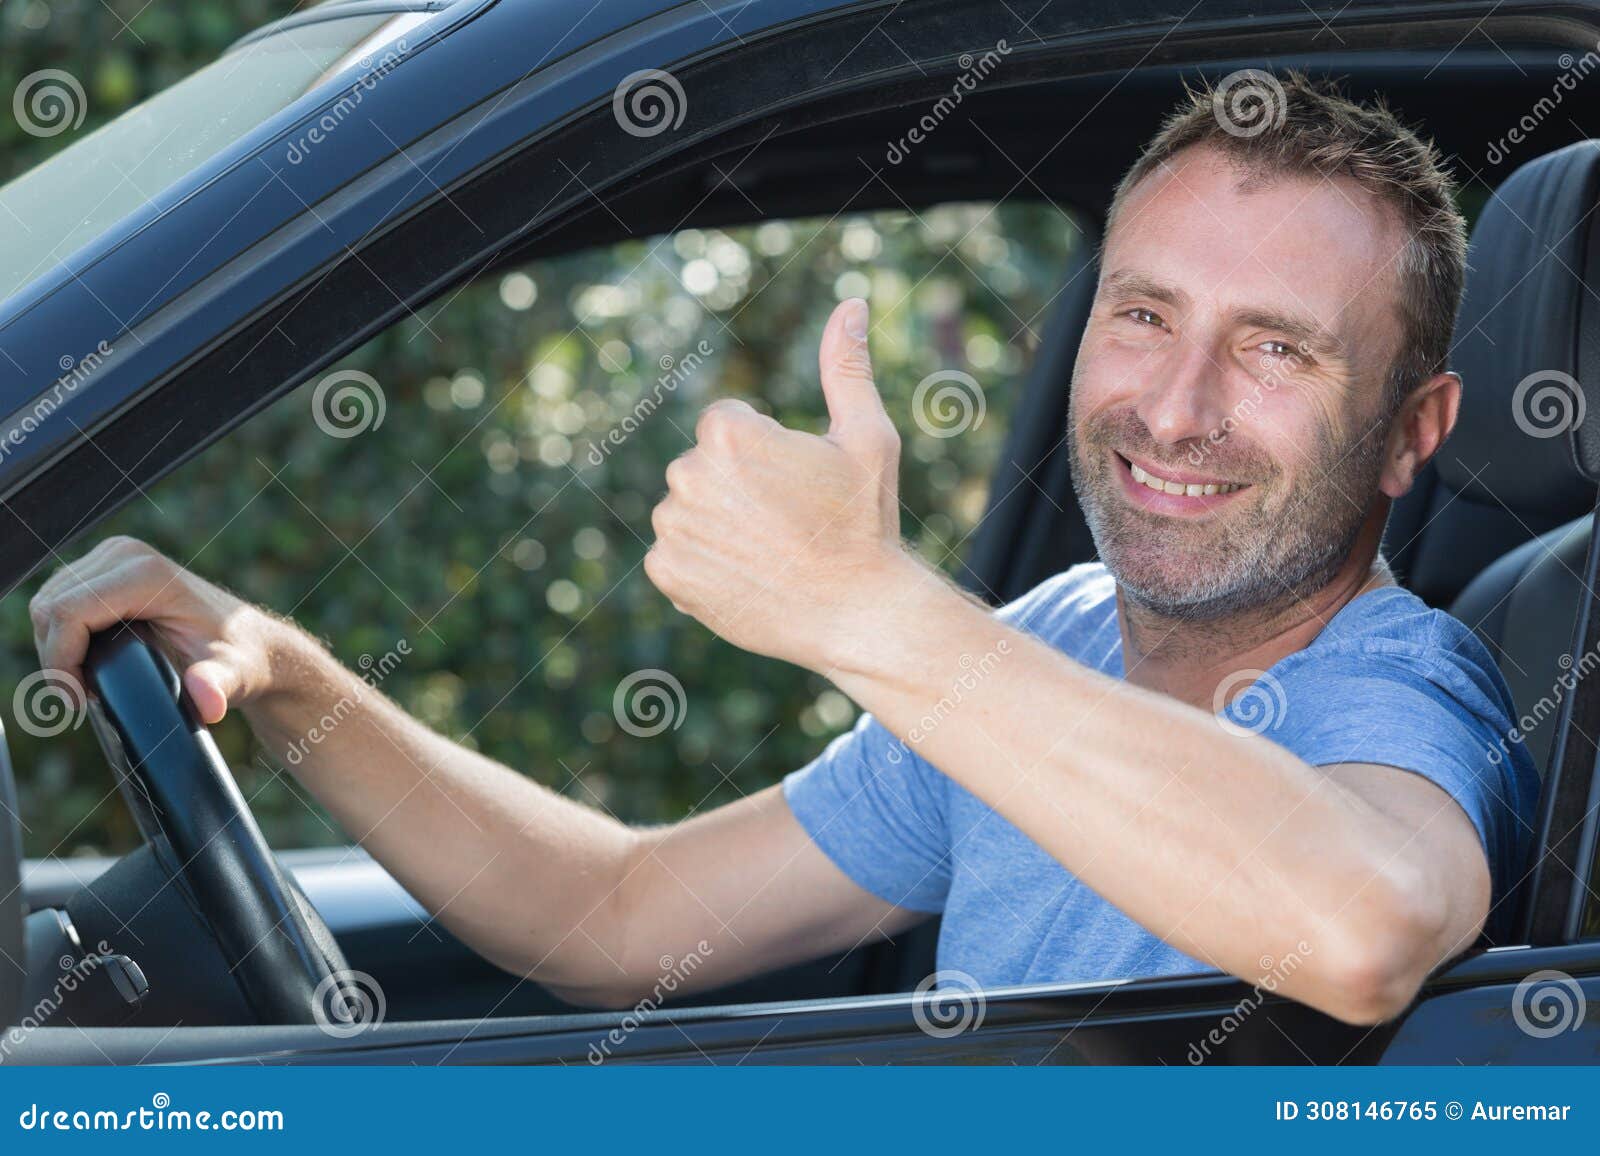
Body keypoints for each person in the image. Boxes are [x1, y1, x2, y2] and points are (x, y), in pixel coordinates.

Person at [28, 73, 1539, 1026]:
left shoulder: (1402, 687)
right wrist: (291, 682)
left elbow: (1360, 926)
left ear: (1416, 431)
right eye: (1142, 314)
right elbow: (617, 920)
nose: (1177, 406)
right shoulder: (1061, 643)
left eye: (1276, 349)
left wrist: (869, 610)